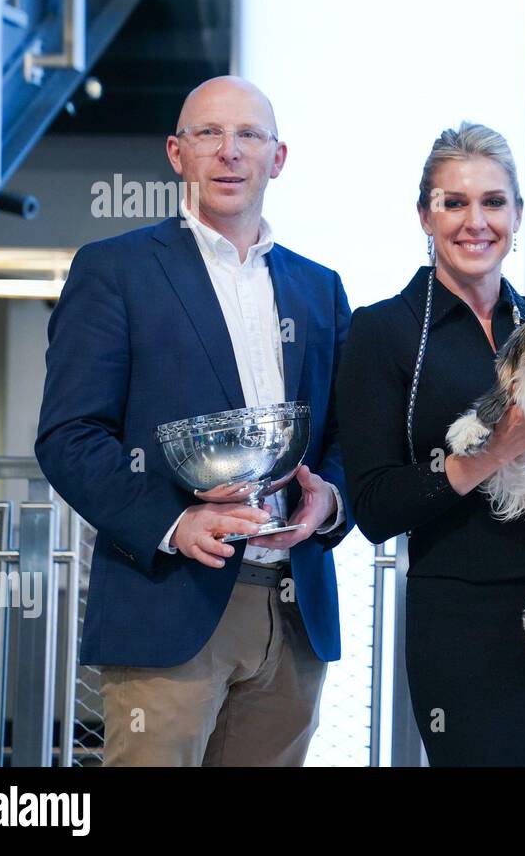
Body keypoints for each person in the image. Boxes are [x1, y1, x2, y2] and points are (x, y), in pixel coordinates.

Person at [35, 76, 352, 765]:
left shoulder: (319, 289)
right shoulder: (114, 270)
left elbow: (343, 439)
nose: (229, 151)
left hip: (294, 615)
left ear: (280, 157)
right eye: (208, 134)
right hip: (169, 600)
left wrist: (330, 500)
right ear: (177, 154)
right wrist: (172, 523)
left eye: (249, 135)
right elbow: (69, 437)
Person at [336, 122, 525, 765]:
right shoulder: (383, 333)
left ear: (518, 214)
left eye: (494, 202)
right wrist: (497, 449)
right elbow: (375, 505)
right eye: (454, 202)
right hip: (465, 635)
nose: (476, 222)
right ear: (425, 214)